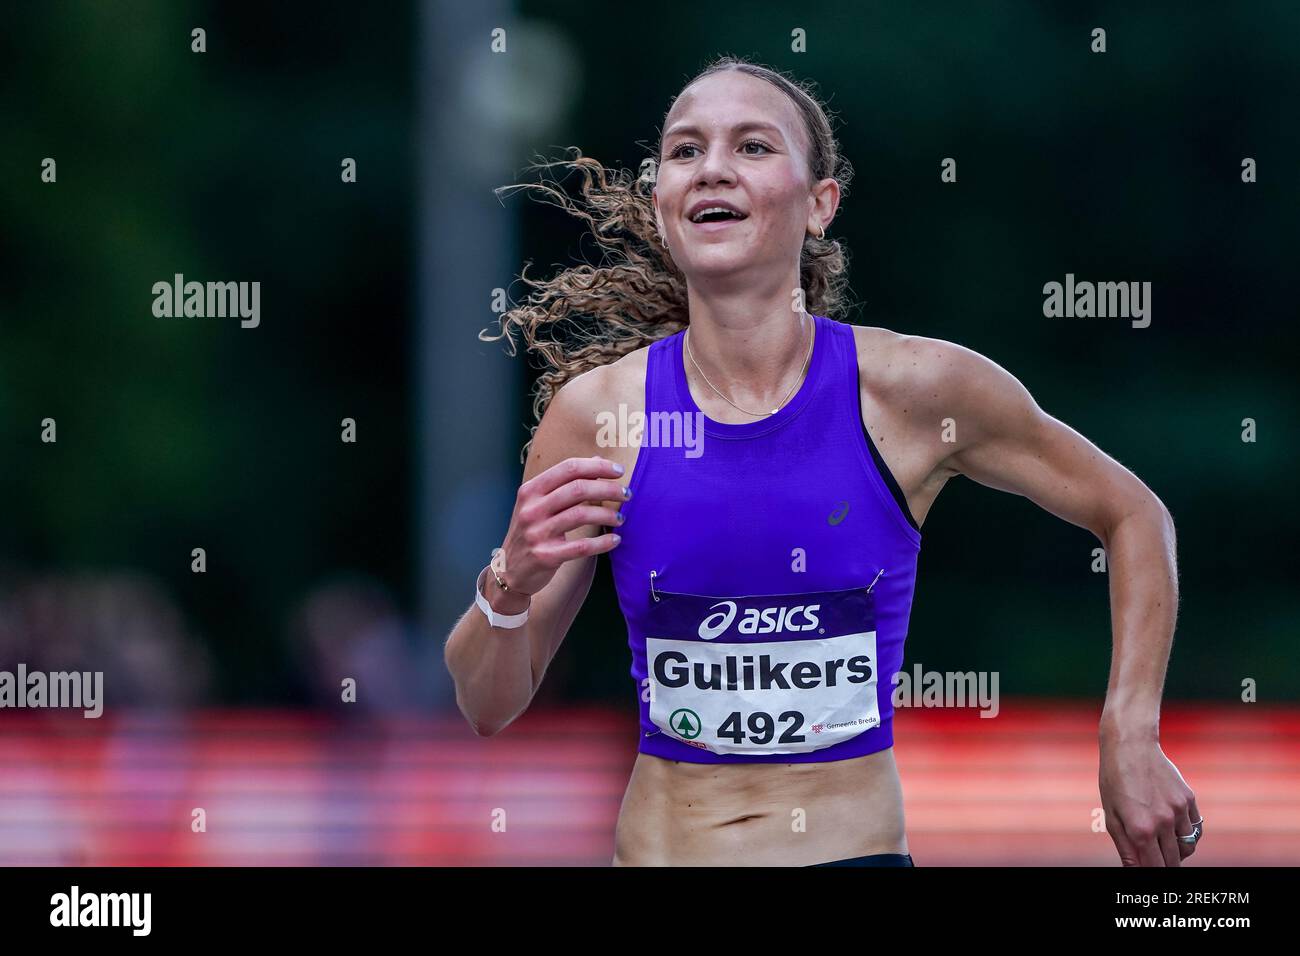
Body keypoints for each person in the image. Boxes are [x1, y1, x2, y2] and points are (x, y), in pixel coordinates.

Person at [444, 56, 1200, 866]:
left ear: (819, 205)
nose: (714, 169)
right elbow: (489, 704)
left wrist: (1128, 728)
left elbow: (1132, 514)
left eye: (754, 147)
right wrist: (508, 586)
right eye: (685, 150)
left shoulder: (915, 391)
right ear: (662, 205)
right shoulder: (600, 415)